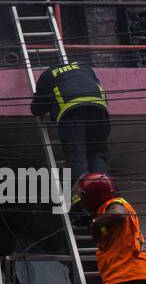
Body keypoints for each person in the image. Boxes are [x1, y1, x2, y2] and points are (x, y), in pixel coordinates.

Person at [31, 60, 110, 191]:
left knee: (77, 155)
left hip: (72, 111)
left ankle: (81, 195)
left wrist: (51, 109)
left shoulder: (47, 75)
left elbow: (37, 108)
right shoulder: (84, 67)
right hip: (99, 108)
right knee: (98, 152)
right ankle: (102, 189)